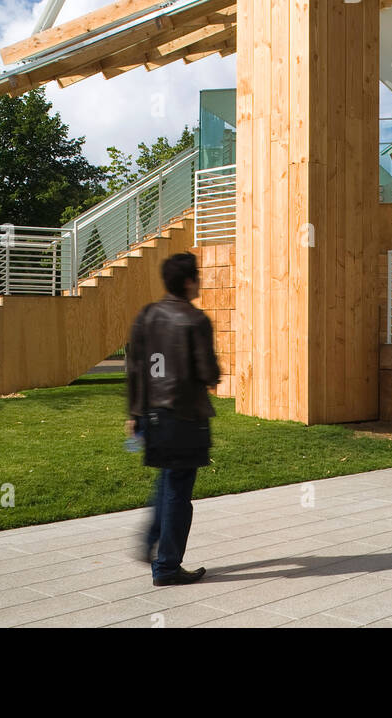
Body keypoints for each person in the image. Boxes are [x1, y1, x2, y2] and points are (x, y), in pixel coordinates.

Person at [126, 251, 221, 586]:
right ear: (188, 281)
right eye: (197, 275)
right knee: (178, 490)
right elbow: (209, 372)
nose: (200, 281)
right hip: (185, 417)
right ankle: (166, 566)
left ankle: (151, 542)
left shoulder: (147, 316)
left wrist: (134, 413)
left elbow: (136, 369)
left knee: (167, 481)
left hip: (153, 416)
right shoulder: (195, 321)